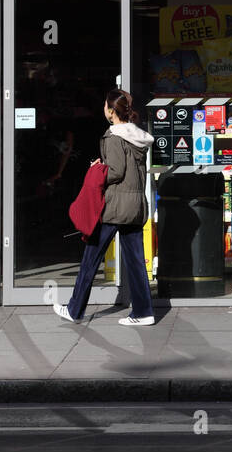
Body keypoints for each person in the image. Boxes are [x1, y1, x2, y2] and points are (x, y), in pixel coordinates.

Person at [54, 88, 156, 326]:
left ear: (111, 112)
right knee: (136, 262)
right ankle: (144, 312)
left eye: (105, 106)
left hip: (115, 207)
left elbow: (117, 171)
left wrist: (97, 168)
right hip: (135, 206)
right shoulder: (137, 136)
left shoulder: (113, 136)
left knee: (91, 258)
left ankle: (75, 309)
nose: (103, 109)